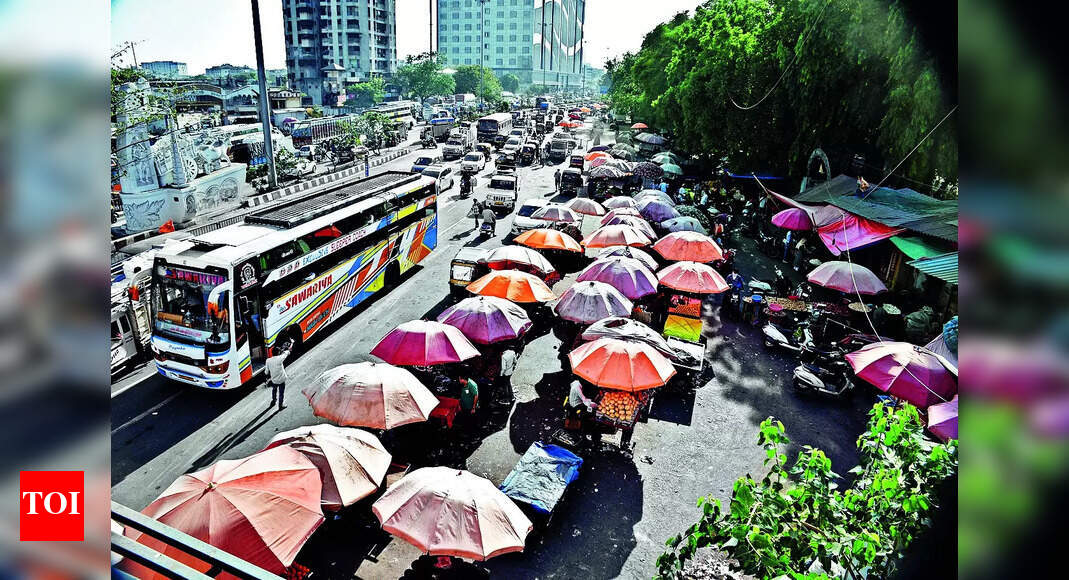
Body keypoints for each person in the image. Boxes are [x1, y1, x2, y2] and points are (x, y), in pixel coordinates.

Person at [265, 339, 294, 411]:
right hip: (281, 380)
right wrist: (292, 343)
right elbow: (288, 351)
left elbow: (266, 372)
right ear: (278, 352)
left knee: (274, 390)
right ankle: (280, 405)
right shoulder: (280, 358)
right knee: (281, 393)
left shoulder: (268, 360)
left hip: (274, 380)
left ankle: (273, 401)